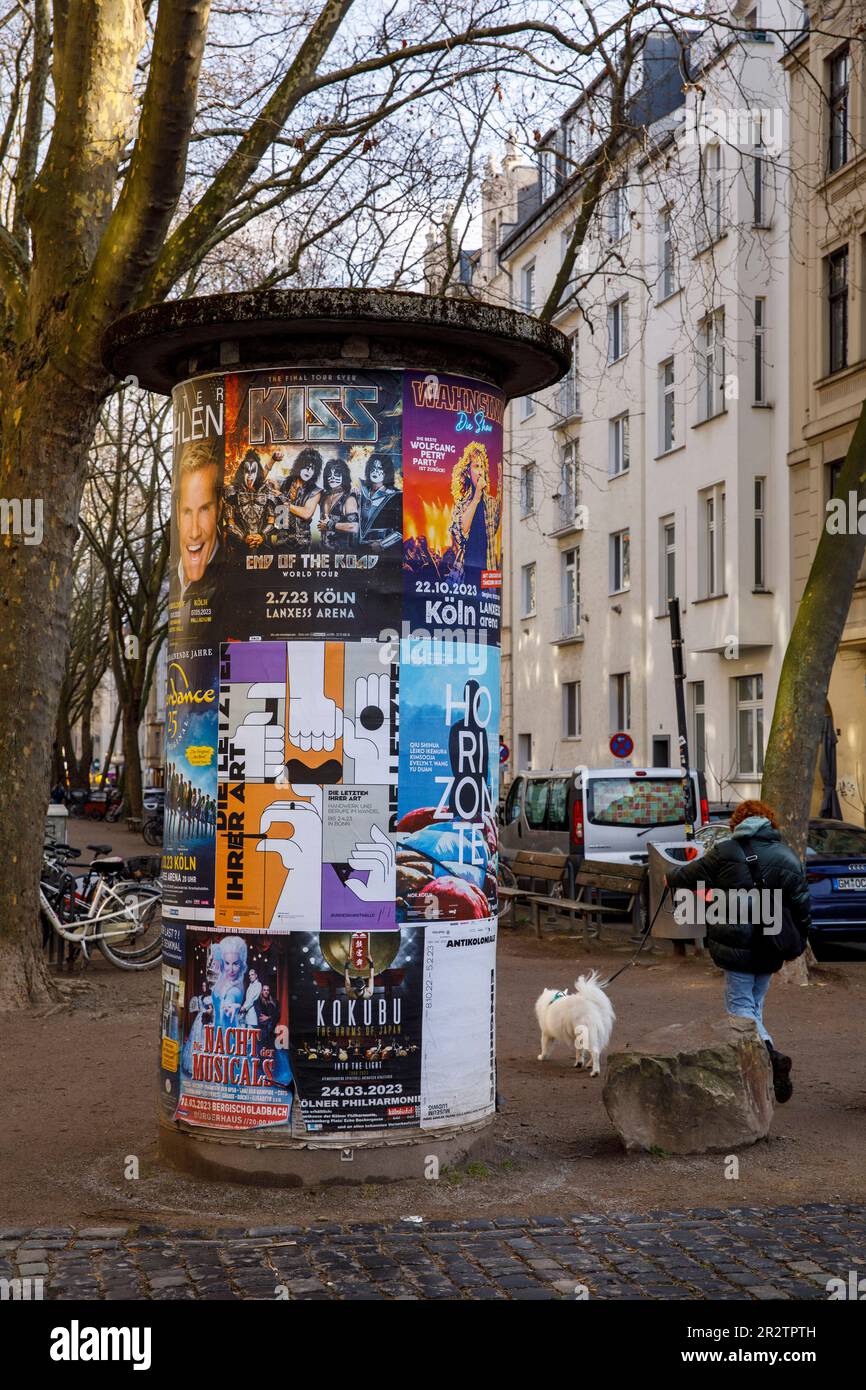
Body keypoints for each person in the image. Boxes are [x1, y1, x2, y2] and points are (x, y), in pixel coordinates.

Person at [665, 799, 811, 1103]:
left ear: (738, 822)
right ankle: (762, 1070)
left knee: (740, 1010)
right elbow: (802, 906)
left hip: (736, 943)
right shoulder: (787, 856)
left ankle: (770, 1057)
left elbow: (684, 877)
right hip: (772, 943)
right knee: (755, 1005)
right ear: (770, 822)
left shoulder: (725, 851)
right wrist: (797, 942)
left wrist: (669, 876)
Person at [173, 440, 223, 629]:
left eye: (204, 509)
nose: (194, 532)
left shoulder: (230, 586)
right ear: (177, 514)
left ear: (219, 508)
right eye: (187, 511)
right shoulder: (173, 577)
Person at [448, 440, 500, 579]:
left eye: (482, 467)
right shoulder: (462, 504)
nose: (480, 471)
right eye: (476, 466)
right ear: (468, 471)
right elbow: (461, 532)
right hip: (465, 574)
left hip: (487, 574)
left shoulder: (491, 504)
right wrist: (476, 497)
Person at [358, 453, 401, 550]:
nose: (375, 471)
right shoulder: (362, 491)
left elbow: (402, 529)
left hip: (384, 552)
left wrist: (382, 544)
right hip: (358, 548)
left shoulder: (396, 496)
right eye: (372, 467)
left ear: (386, 471)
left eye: (380, 468)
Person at [319, 458, 359, 551]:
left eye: (336, 474)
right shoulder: (324, 496)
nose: (332, 477)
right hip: (324, 553)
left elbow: (354, 527)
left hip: (342, 554)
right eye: (329, 474)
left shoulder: (349, 499)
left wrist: (330, 524)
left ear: (344, 476)